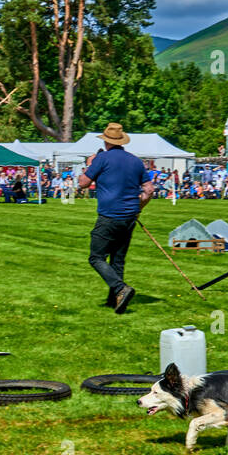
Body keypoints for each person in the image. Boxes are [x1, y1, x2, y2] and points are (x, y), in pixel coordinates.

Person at [77, 122, 154, 314]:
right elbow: (149, 190)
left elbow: (83, 184)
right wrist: (138, 209)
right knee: (117, 260)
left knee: (96, 257)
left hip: (109, 216)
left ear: (106, 141)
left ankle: (120, 289)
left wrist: (89, 165)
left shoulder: (101, 159)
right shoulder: (136, 161)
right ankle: (115, 301)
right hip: (129, 217)